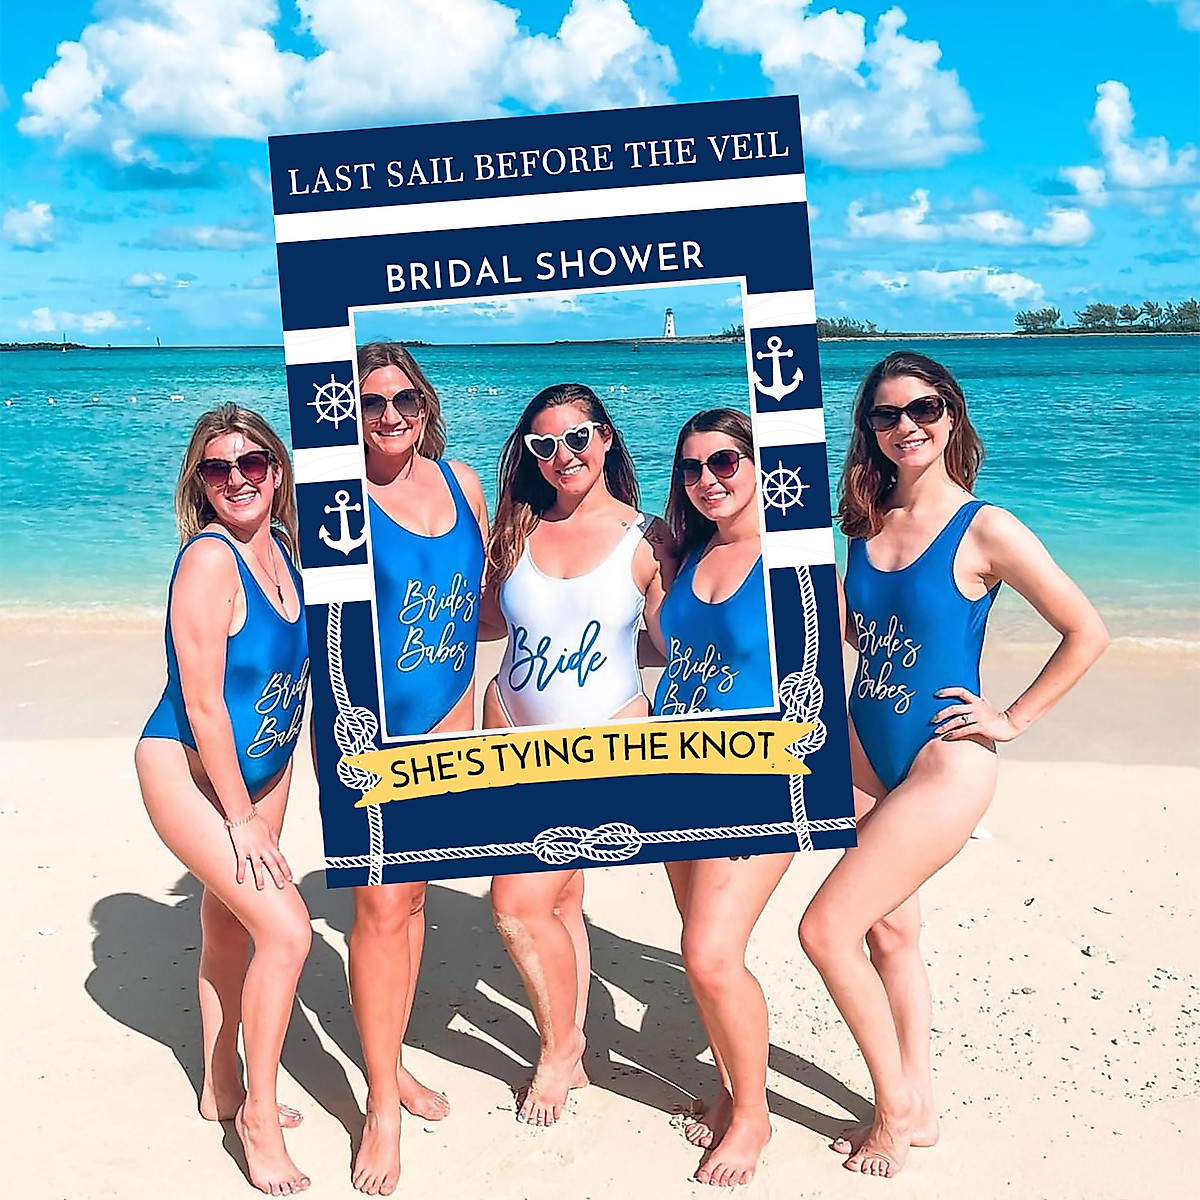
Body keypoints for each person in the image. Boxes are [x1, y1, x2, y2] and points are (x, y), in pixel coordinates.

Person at [799, 351, 1109, 1178]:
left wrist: (1011, 718)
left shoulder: (986, 527)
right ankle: (923, 1104)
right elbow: (869, 636)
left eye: (923, 409)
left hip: (945, 759)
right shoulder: (862, 525)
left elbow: (1086, 631)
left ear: (951, 415)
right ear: (868, 429)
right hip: (865, 747)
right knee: (889, 929)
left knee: (825, 930)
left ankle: (893, 1112)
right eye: (886, 414)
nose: (906, 426)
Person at [482, 383, 675, 1126]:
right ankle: (572, 1043)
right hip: (511, 742)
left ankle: (560, 1050)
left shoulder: (649, 538)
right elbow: (488, 624)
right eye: (544, 444)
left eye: (577, 437)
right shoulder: (516, 529)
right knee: (559, 902)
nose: (562, 455)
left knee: (514, 907)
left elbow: (683, 641)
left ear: (606, 438)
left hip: (606, 746)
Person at [136, 405, 312, 1196]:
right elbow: (204, 704)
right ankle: (259, 1120)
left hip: (264, 769)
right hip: (189, 773)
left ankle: (221, 1086)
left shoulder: (285, 551)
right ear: (200, 483)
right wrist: (240, 817)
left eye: (252, 463)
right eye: (218, 468)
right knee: (288, 931)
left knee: (229, 922)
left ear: (277, 470)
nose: (237, 479)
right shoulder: (210, 560)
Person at [349, 342, 488, 1196]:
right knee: (378, 906)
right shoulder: (338, 500)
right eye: (370, 402)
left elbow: (484, 608)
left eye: (404, 398)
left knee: (415, 901)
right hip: (372, 733)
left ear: (426, 403)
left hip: (449, 727)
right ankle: (380, 1106)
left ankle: (391, 1059)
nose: (390, 415)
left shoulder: (464, 484)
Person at [641, 407, 783, 1187]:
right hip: (674, 770)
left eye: (725, 462)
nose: (707, 479)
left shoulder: (789, 557)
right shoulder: (694, 553)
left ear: (761, 465)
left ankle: (754, 1115)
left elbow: (845, 646)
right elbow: (673, 650)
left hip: (754, 778)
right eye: (692, 468)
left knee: (710, 951)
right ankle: (730, 1090)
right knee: (700, 948)